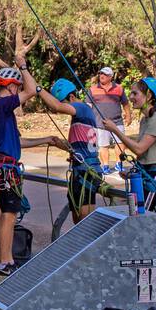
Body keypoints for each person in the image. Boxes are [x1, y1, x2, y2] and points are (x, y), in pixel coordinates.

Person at [0, 58, 40, 276]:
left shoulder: (2, 113)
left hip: (3, 165)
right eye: (17, 87)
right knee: (8, 216)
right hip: (6, 168)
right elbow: (33, 89)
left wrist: (47, 140)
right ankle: (5, 261)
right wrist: (24, 66)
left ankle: (4, 258)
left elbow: (18, 141)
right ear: (12, 86)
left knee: (5, 215)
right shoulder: (3, 104)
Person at [20, 78, 103, 224]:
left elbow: (57, 106)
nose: (62, 109)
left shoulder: (81, 108)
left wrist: (38, 89)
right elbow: (79, 148)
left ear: (71, 97)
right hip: (80, 169)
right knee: (77, 218)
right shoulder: (79, 118)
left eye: (64, 103)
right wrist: (60, 145)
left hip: (86, 171)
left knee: (85, 221)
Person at [99, 76, 156, 211]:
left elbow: (139, 149)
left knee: (143, 218)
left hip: (154, 178)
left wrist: (115, 130)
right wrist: (132, 171)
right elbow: (144, 154)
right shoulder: (146, 120)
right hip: (144, 174)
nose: (131, 97)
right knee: (137, 215)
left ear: (149, 95)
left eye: (135, 93)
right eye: (131, 93)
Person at [89, 66, 129, 171]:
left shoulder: (119, 88)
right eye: (101, 74)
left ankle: (119, 164)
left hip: (117, 121)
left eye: (105, 74)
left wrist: (128, 115)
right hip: (100, 123)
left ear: (110, 77)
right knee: (104, 145)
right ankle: (105, 166)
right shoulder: (93, 89)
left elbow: (125, 103)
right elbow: (88, 105)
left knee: (121, 143)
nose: (102, 76)